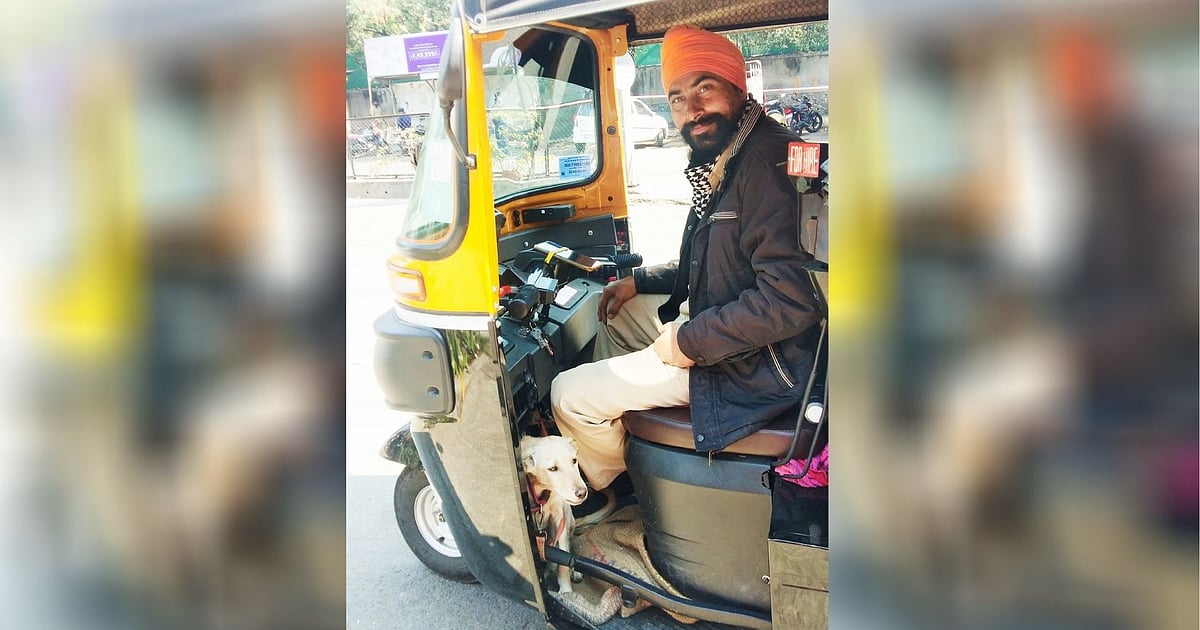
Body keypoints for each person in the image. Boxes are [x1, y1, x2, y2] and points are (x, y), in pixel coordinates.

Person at [550, 26, 825, 521]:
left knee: (568, 395)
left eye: (705, 88)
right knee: (617, 310)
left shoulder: (762, 162)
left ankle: (629, 493)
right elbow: (717, 257)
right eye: (677, 98)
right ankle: (635, 415)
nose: (691, 109)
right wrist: (643, 281)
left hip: (762, 367)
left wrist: (688, 343)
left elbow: (791, 300)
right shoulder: (737, 150)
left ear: (739, 89)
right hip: (742, 336)